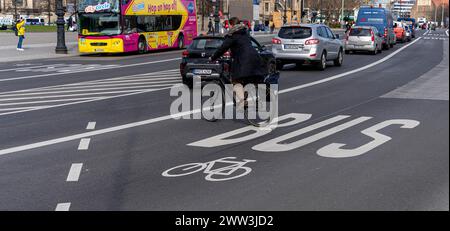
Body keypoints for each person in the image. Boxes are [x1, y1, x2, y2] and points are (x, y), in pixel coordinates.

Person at [209, 17, 268, 110]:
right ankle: (253, 99)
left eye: (228, 25)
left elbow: (222, 48)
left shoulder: (233, 35)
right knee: (248, 80)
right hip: (255, 58)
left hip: (244, 61)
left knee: (235, 81)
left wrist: (213, 57)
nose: (228, 27)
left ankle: (242, 102)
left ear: (231, 25)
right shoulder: (245, 32)